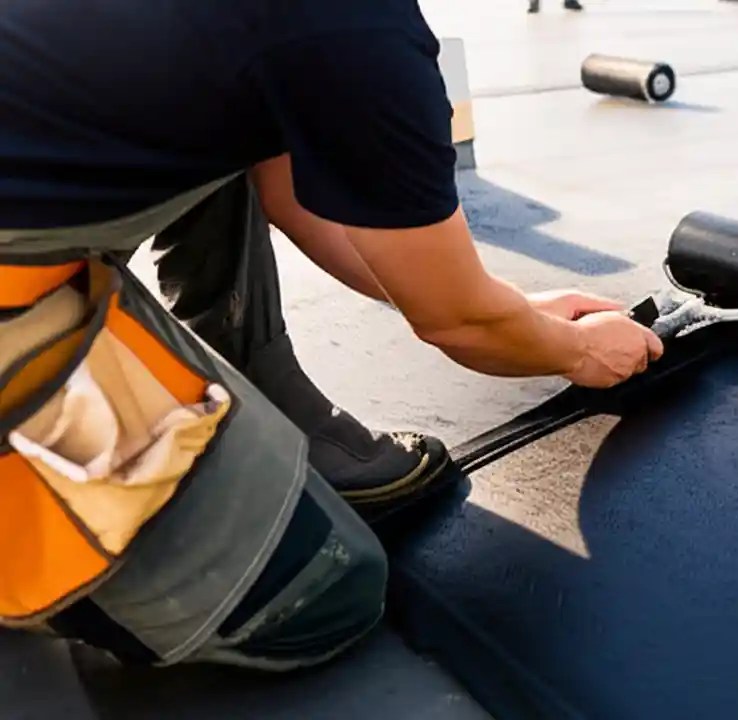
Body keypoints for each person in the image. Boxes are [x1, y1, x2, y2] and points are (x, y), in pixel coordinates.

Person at [0, 0, 661, 671]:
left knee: (230, 110)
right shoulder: (358, 33)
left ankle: (254, 399)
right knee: (322, 590)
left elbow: (296, 196)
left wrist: (517, 309)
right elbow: (455, 321)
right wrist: (578, 350)